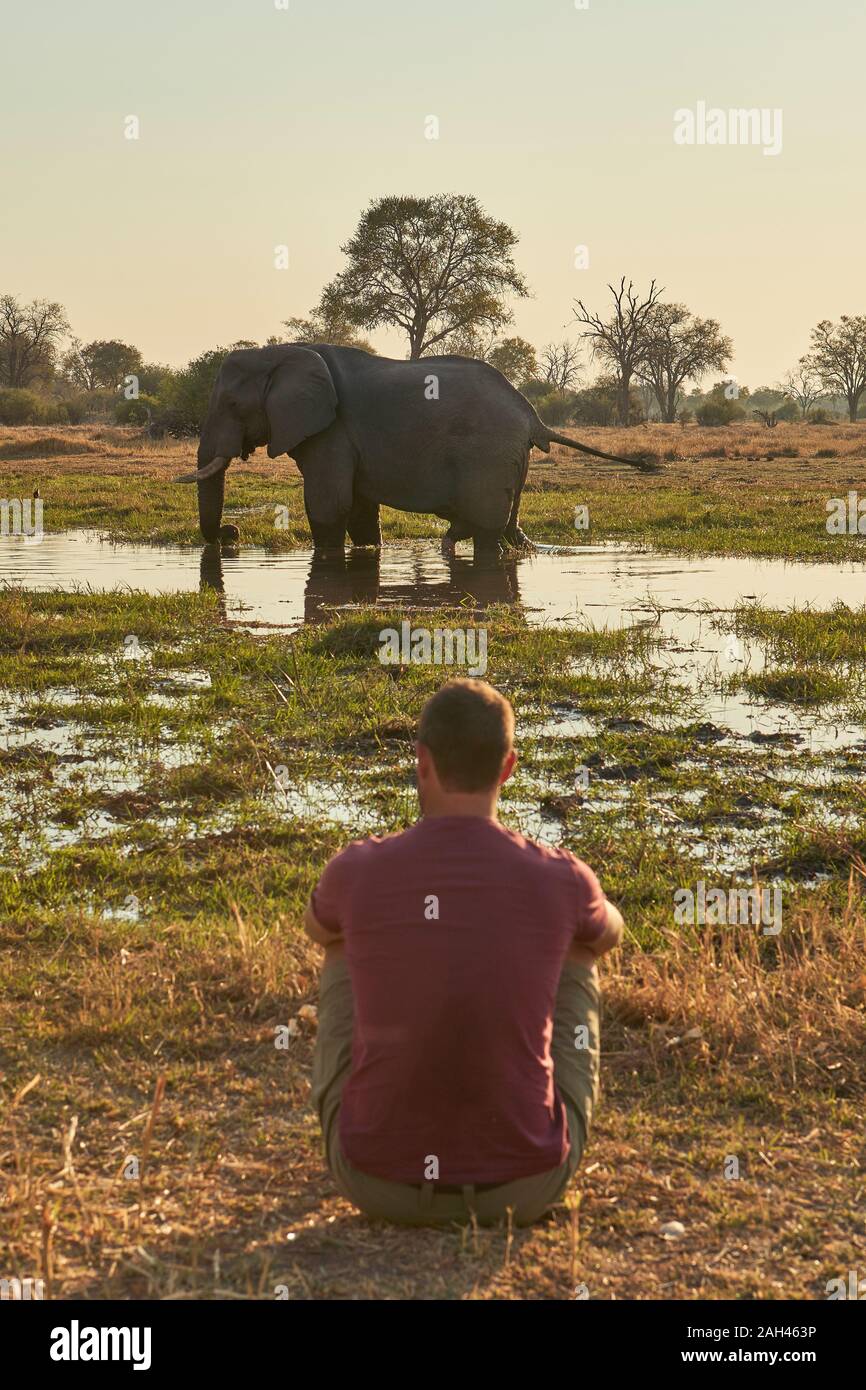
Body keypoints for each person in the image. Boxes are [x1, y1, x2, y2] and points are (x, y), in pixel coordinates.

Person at [306, 678, 623, 1225]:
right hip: (524, 1190)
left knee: (339, 939)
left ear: (421, 761)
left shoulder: (356, 869)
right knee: (580, 945)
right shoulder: (561, 876)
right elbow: (610, 933)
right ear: (507, 768)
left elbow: (316, 928)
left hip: (376, 1184)